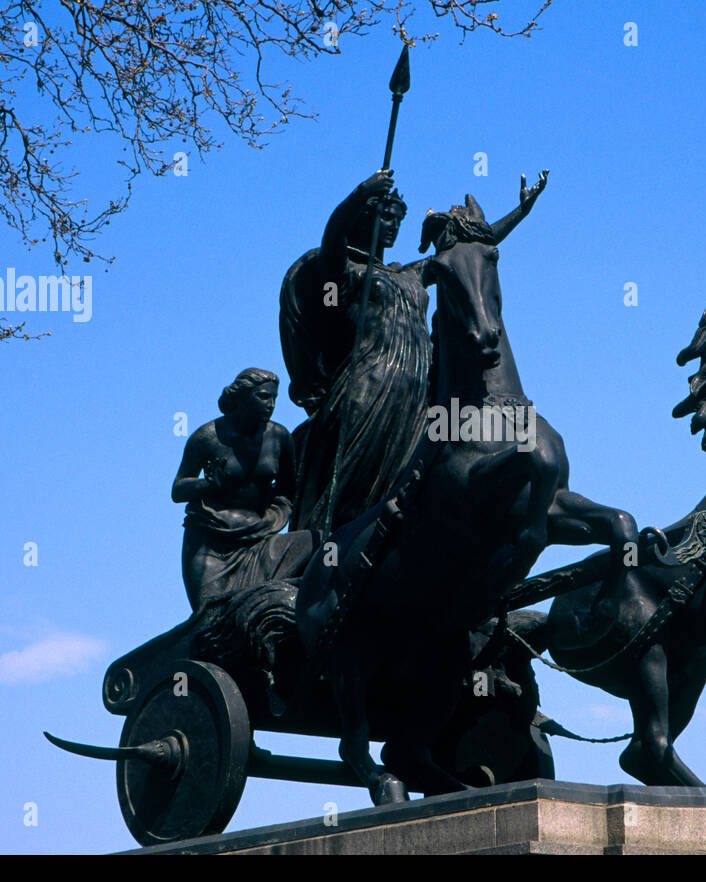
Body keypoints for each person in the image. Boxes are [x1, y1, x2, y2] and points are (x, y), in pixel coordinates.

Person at [280, 168, 548, 534]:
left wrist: (521, 213)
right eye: (384, 216)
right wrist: (361, 193)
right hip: (369, 391)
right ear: (362, 217)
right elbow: (333, 236)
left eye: (398, 219)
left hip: (418, 392)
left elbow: (466, 252)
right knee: (358, 488)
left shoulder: (407, 274)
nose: (392, 225)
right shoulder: (343, 272)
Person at [171, 369, 317, 611]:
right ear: (243, 397)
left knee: (316, 542)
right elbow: (178, 490)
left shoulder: (279, 437)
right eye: (263, 397)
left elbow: (289, 490)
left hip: (259, 537)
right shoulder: (207, 436)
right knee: (212, 617)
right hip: (211, 543)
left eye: (274, 398)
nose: (270, 405)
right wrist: (208, 484)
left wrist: (273, 518)